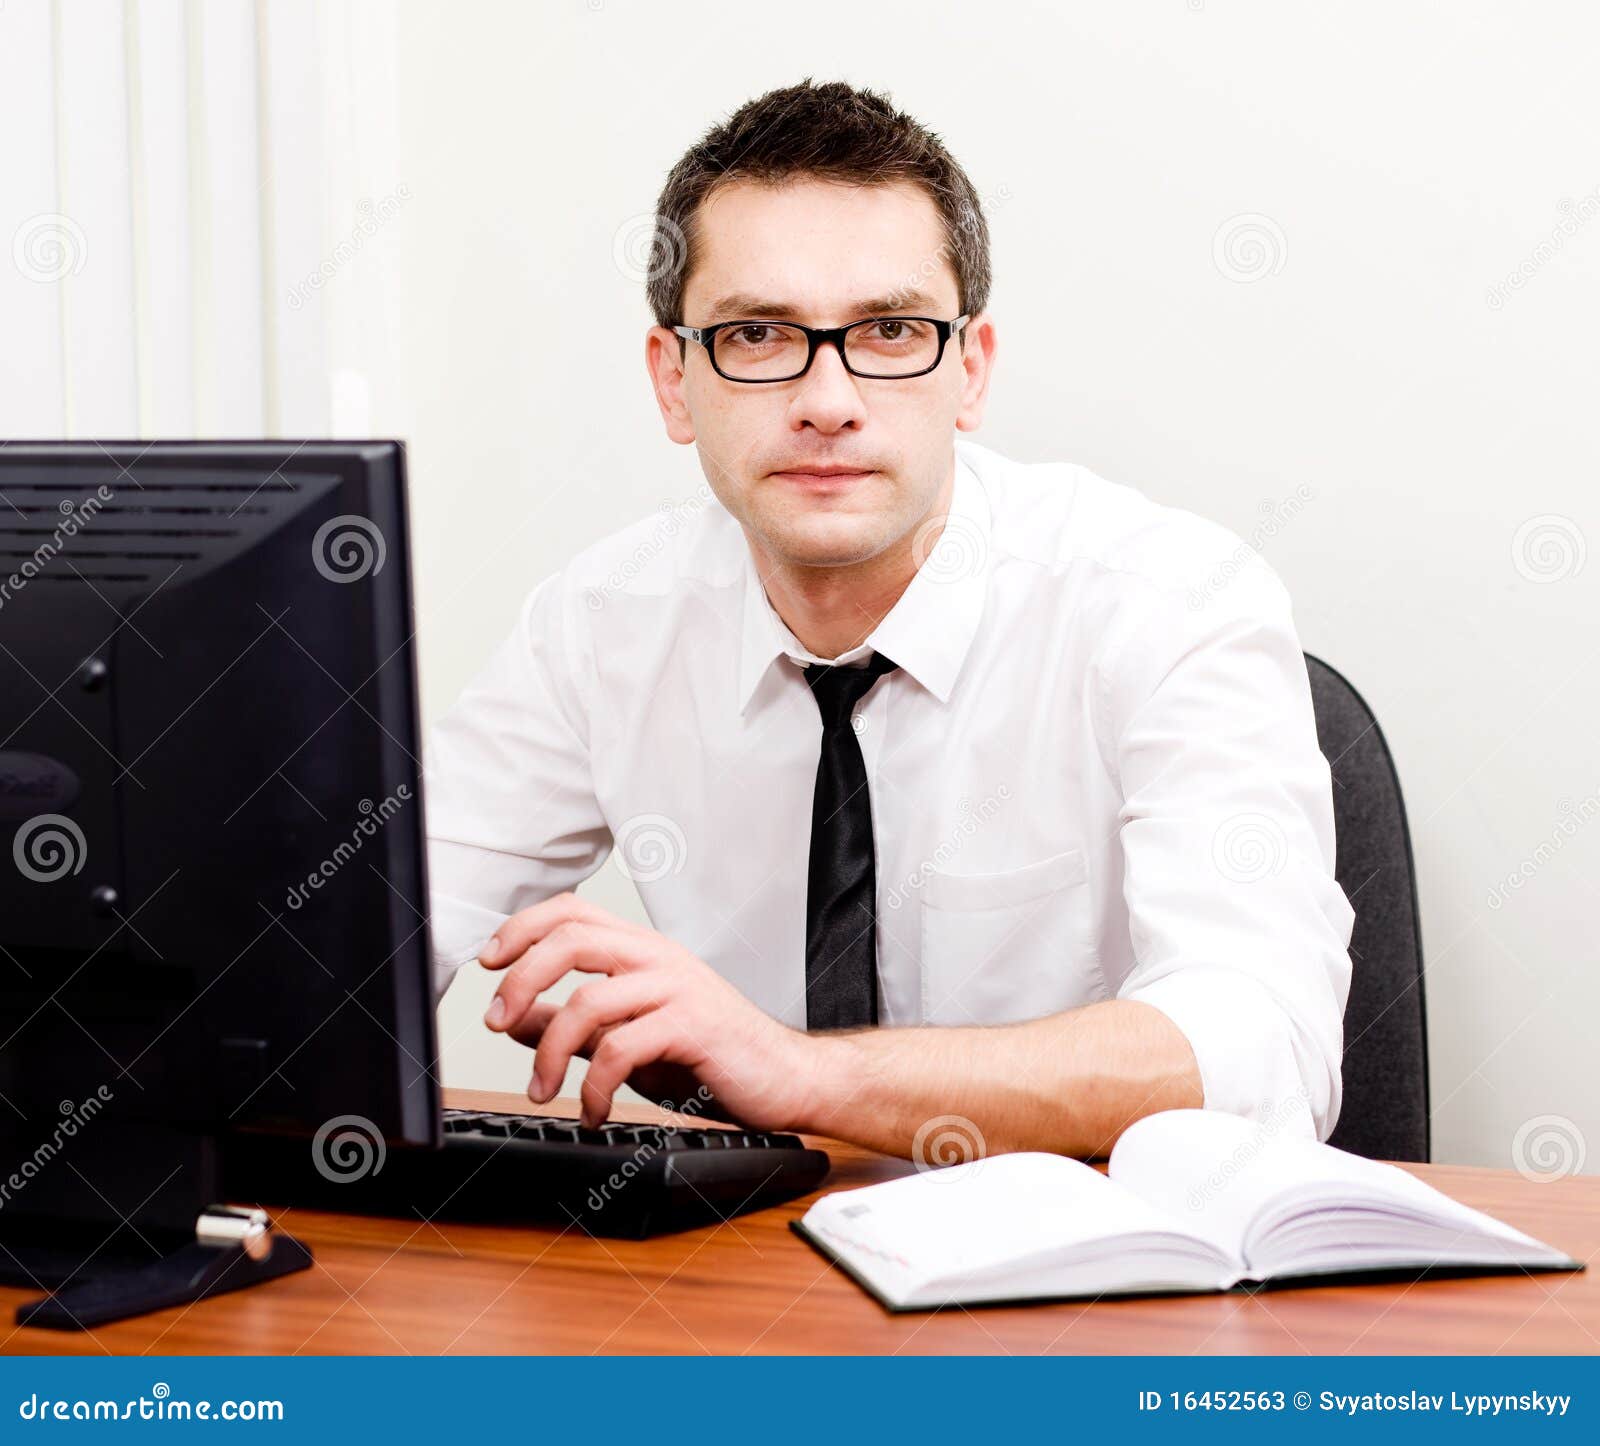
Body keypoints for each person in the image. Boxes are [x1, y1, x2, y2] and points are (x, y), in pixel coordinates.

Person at [425, 78, 1354, 1160]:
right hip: (746, 1288)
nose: (828, 398)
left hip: (1089, 1287)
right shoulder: (598, 626)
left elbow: (1261, 1052)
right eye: (759, 335)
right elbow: (354, 931)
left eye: (892, 329)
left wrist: (796, 1072)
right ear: (673, 382)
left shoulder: (1172, 599)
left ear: (970, 370)